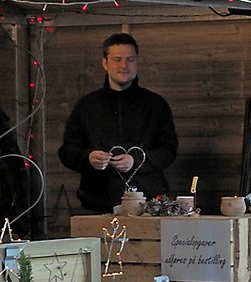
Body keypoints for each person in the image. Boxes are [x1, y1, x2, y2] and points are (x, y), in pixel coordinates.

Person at [59, 32, 178, 213]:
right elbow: (67, 151)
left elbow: (168, 150)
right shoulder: (87, 106)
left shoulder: (155, 105)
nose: (124, 65)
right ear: (105, 64)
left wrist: (136, 160)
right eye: (117, 59)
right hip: (97, 205)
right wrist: (88, 158)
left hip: (149, 206)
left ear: (137, 62)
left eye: (130, 59)